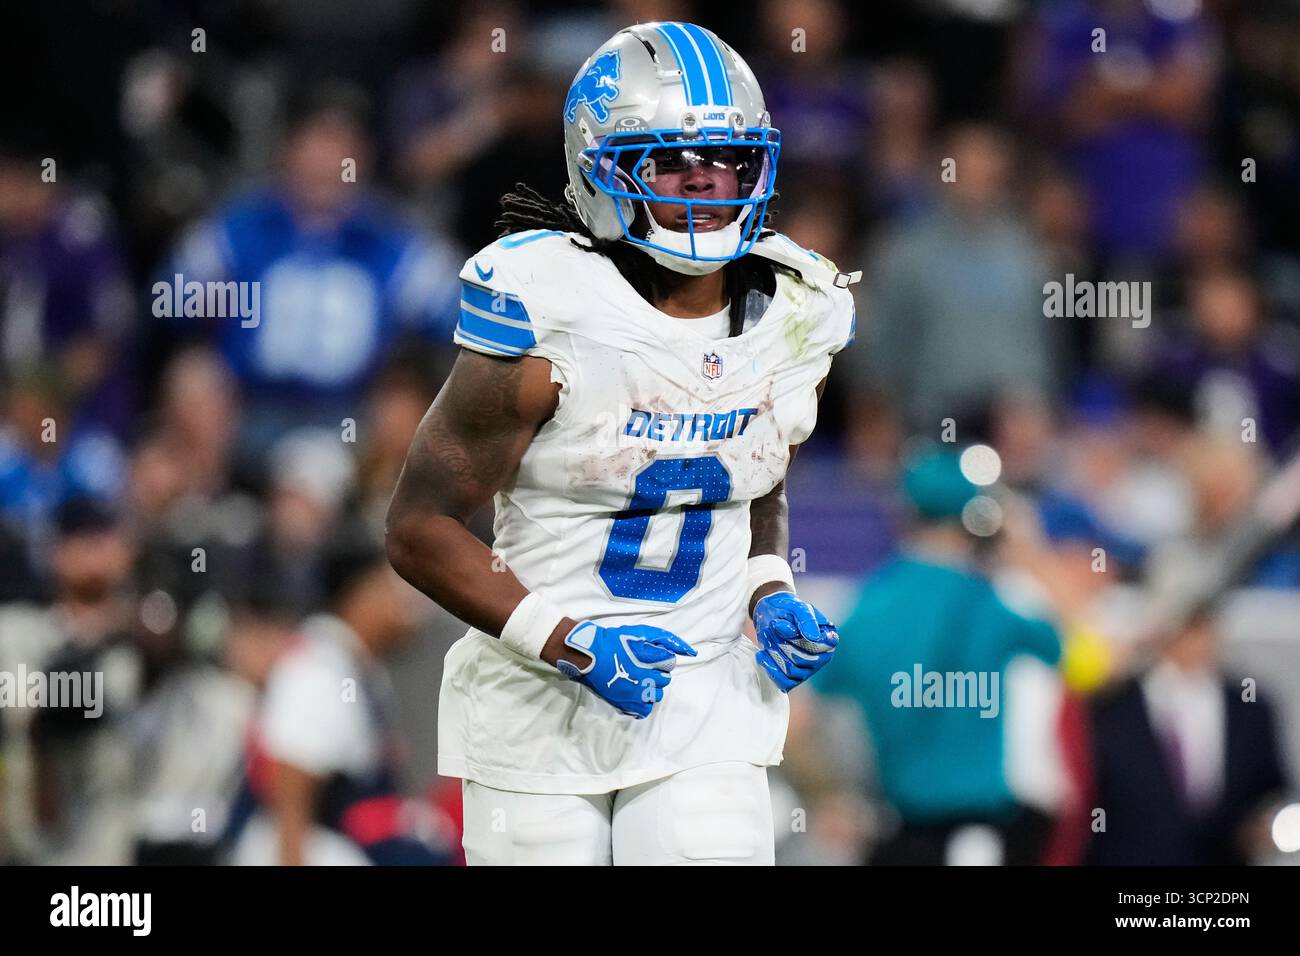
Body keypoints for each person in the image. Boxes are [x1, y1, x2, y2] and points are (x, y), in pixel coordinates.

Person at [385, 21, 856, 866]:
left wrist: (767, 586)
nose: (710, 184)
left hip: (704, 694)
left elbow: (758, 477)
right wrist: (568, 639)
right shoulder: (549, 309)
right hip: (537, 702)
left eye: (729, 161)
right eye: (676, 163)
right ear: (603, 169)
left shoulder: (795, 310)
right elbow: (418, 528)